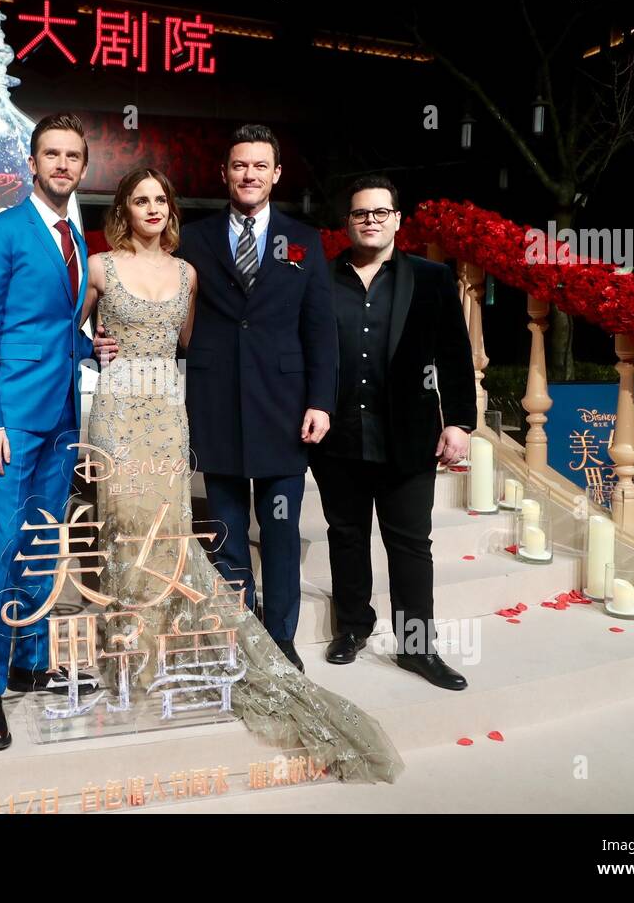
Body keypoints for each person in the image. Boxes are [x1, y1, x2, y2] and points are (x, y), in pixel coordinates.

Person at [78, 165, 402, 784]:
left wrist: (316, 399)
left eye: (160, 199)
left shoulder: (192, 270)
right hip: (120, 408)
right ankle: (130, 657)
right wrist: (93, 347)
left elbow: (192, 343)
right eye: (140, 199)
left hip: (174, 412)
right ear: (124, 208)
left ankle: (256, 641)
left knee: (171, 530)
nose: (151, 207)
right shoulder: (100, 265)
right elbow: (68, 330)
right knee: (123, 527)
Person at [0, 112, 118, 751]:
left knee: (44, 538)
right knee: (2, 545)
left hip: (59, 415)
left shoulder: (76, 238)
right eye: (49, 154)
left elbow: (51, 325)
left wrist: (89, 345)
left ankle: (31, 658)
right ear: (32, 164)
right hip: (12, 421)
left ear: (83, 167)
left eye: (71, 156)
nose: (60, 164)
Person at [176, 124, 338, 671]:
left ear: (275, 174)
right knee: (224, 532)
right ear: (225, 173)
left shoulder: (303, 240)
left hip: (284, 407)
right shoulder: (193, 238)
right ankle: (237, 635)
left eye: (259, 166)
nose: (249, 175)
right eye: (239, 165)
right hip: (215, 402)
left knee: (280, 531)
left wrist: (321, 401)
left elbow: (320, 330)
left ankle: (282, 637)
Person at [309, 175, 475, 691]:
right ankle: (353, 627)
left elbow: (454, 354)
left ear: (397, 220)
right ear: (348, 223)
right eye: (362, 213)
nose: (371, 220)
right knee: (347, 536)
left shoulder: (431, 279)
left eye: (381, 212)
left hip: (407, 436)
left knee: (410, 545)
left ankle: (417, 648)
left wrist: (460, 422)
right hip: (340, 437)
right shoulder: (319, 278)